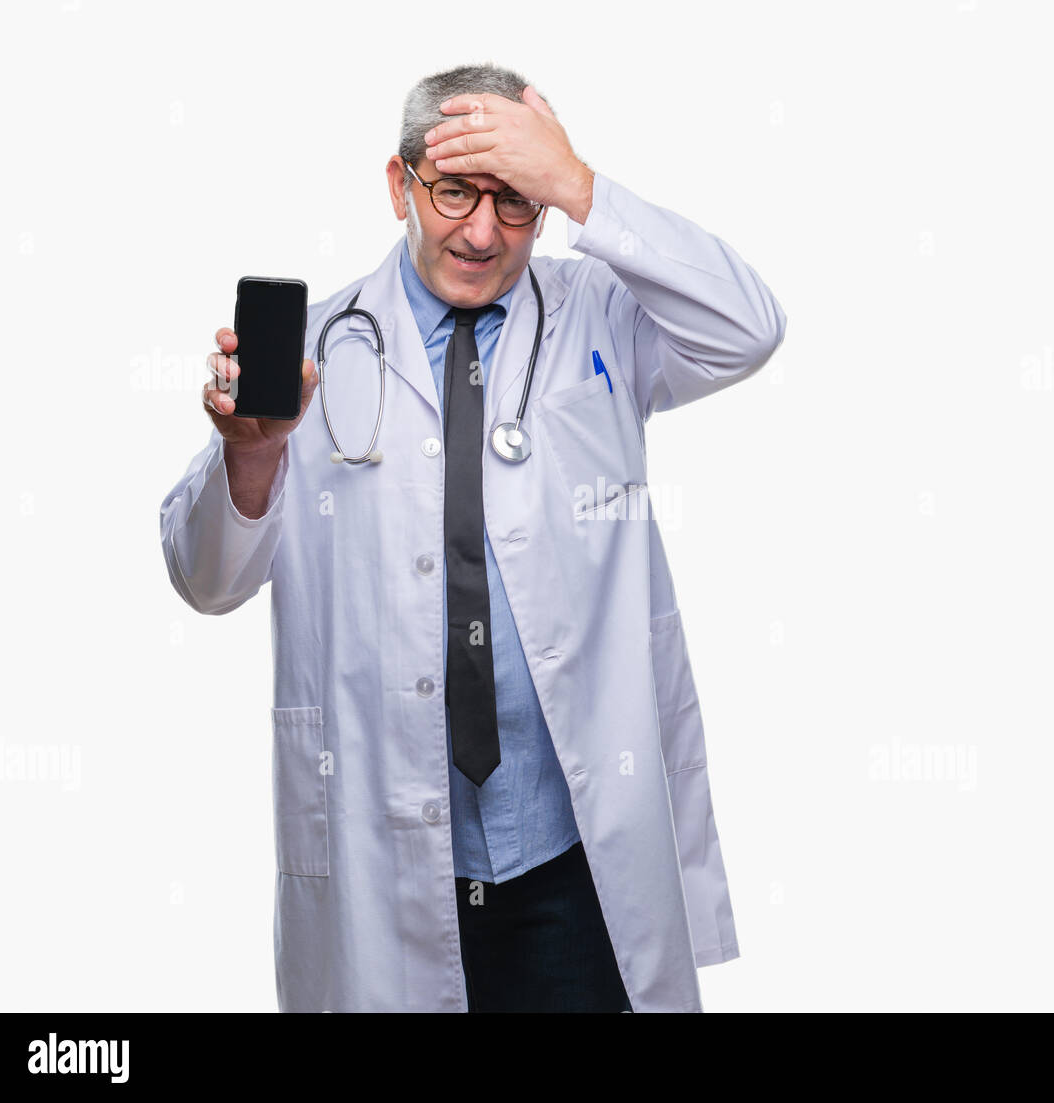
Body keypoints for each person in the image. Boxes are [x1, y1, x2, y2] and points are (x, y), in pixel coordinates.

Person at [160, 62, 786, 1012]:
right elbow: (204, 581)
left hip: (571, 856)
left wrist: (578, 183)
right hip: (388, 856)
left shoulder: (603, 317)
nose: (484, 232)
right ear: (398, 184)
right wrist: (250, 458)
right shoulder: (319, 352)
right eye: (455, 191)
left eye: (517, 200)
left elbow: (748, 328)